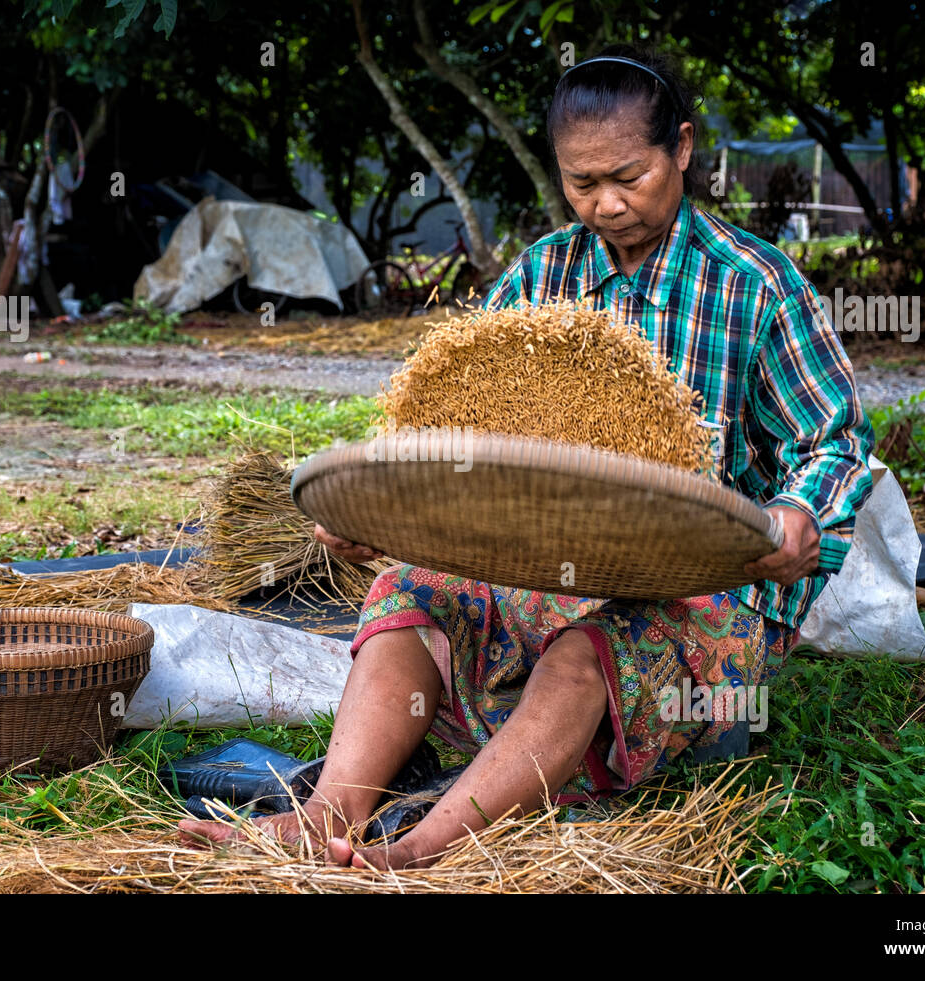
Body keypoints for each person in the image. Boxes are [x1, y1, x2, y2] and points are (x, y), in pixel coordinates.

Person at [181, 43, 874, 870]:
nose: (608, 204)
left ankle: (425, 846)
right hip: (545, 570)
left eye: (629, 176)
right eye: (582, 184)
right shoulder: (542, 276)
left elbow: (834, 442)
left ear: (682, 148)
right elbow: (457, 442)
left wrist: (797, 517)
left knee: (587, 652)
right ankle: (326, 812)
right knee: (406, 590)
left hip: (702, 591)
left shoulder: (754, 285)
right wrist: (382, 516)